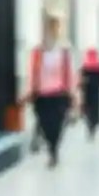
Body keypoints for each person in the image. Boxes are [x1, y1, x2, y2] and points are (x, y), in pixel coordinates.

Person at [28, 17, 76, 168]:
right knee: (44, 124)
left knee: (58, 124)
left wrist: (72, 92)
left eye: (54, 29)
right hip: (42, 94)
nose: (51, 32)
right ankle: (51, 147)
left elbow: (69, 73)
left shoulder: (63, 51)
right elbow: (33, 72)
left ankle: (53, 151)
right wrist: (31, 89)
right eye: (49, 29)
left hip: (59, 94)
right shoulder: (37, 51)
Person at [81, 48, 99, 141]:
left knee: (88, 110)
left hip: (87, 92)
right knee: (95, 110)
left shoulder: (85, 67)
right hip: (96, 92)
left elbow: (81, 81)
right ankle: (94, 126)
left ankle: (90, 127)